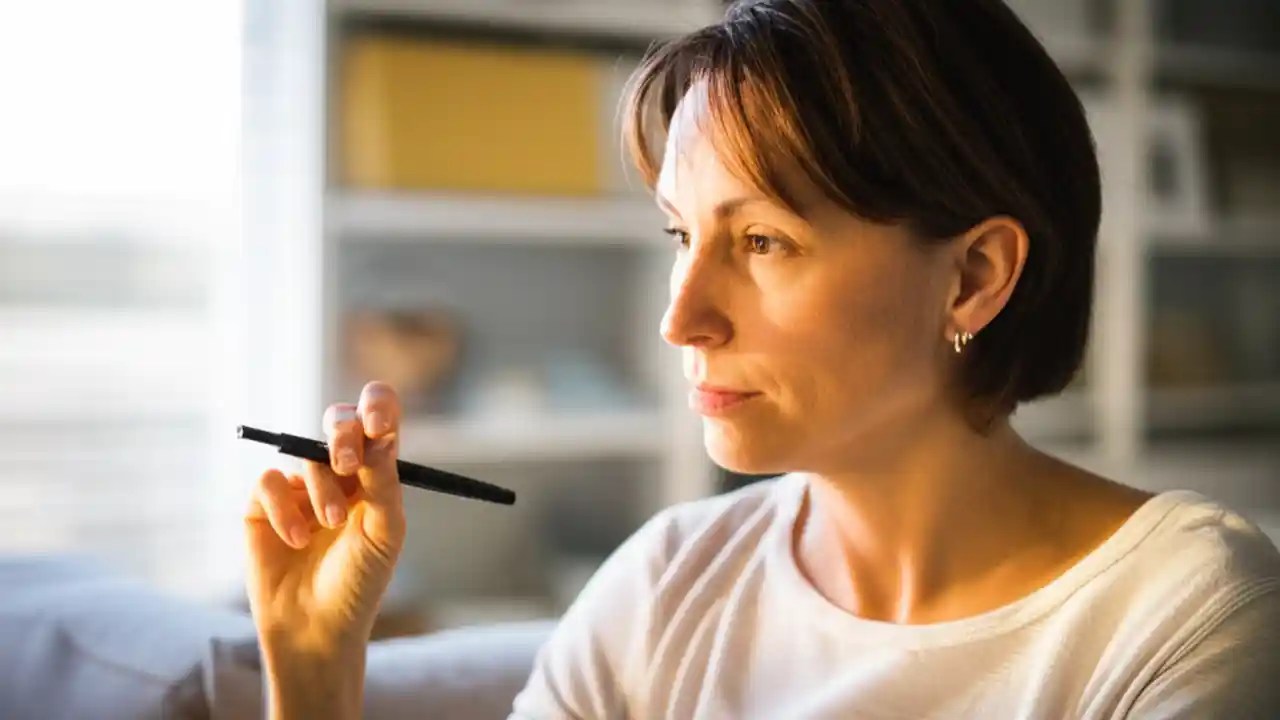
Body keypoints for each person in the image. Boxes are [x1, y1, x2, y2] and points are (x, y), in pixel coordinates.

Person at [243, 1, 1280, 718]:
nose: (679, 319)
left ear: (970, 279)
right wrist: (315, 675)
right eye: (677, 238)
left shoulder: (1182, 615)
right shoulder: (665, 582)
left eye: (760, 242)